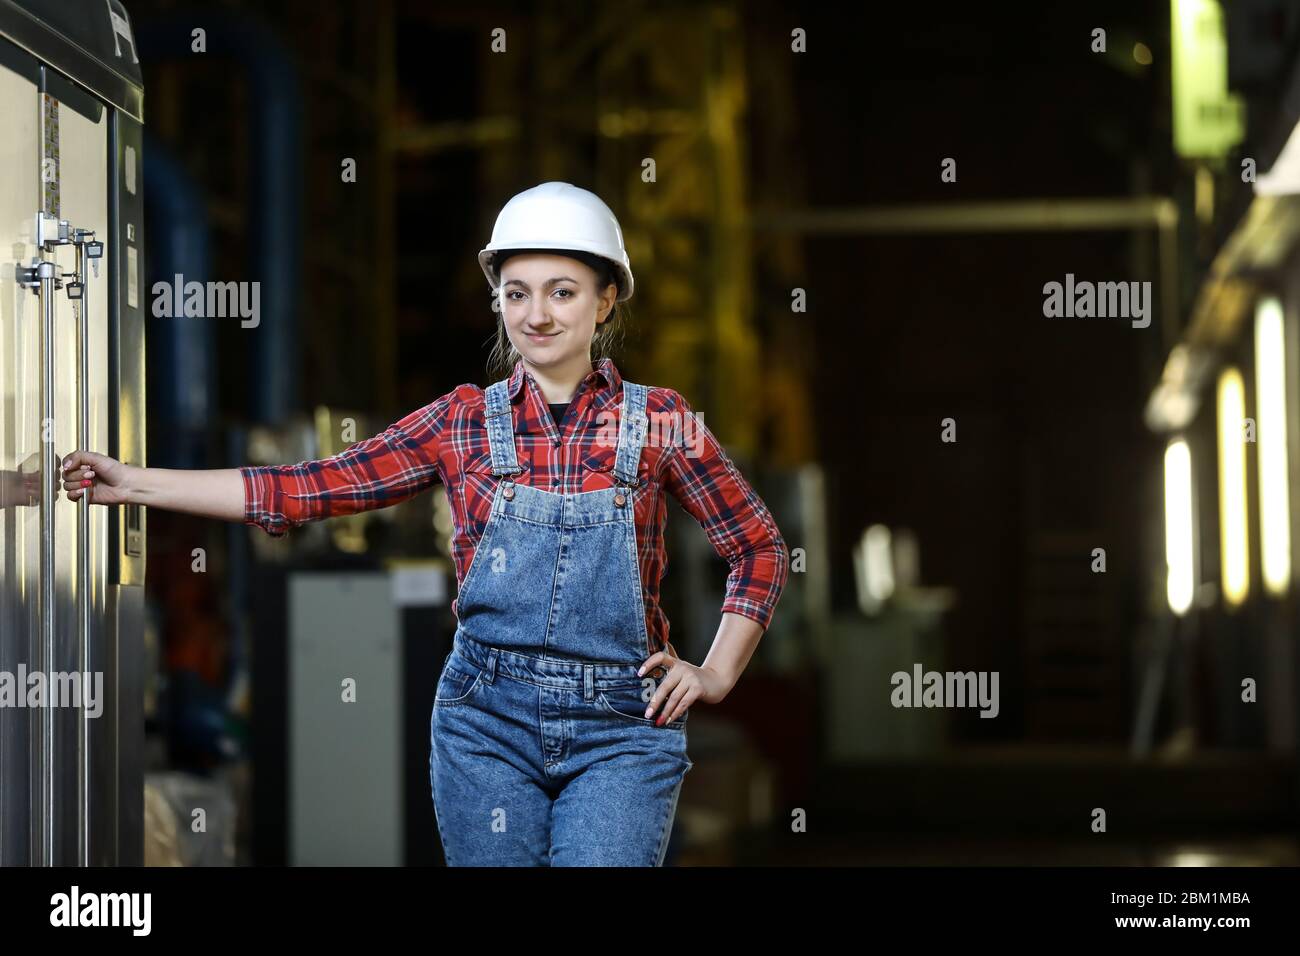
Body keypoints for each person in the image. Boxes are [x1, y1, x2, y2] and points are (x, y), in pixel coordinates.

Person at [59, 181, 789, 866]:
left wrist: (717, 670)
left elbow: (757, 546)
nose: (536, 314)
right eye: (516, 293)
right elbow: (307, 489)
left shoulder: (662, 420)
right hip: (486, 725)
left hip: (623, 731)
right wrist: (136, 484)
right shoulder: (462, 422)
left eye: (562, 292)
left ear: (604, 302)